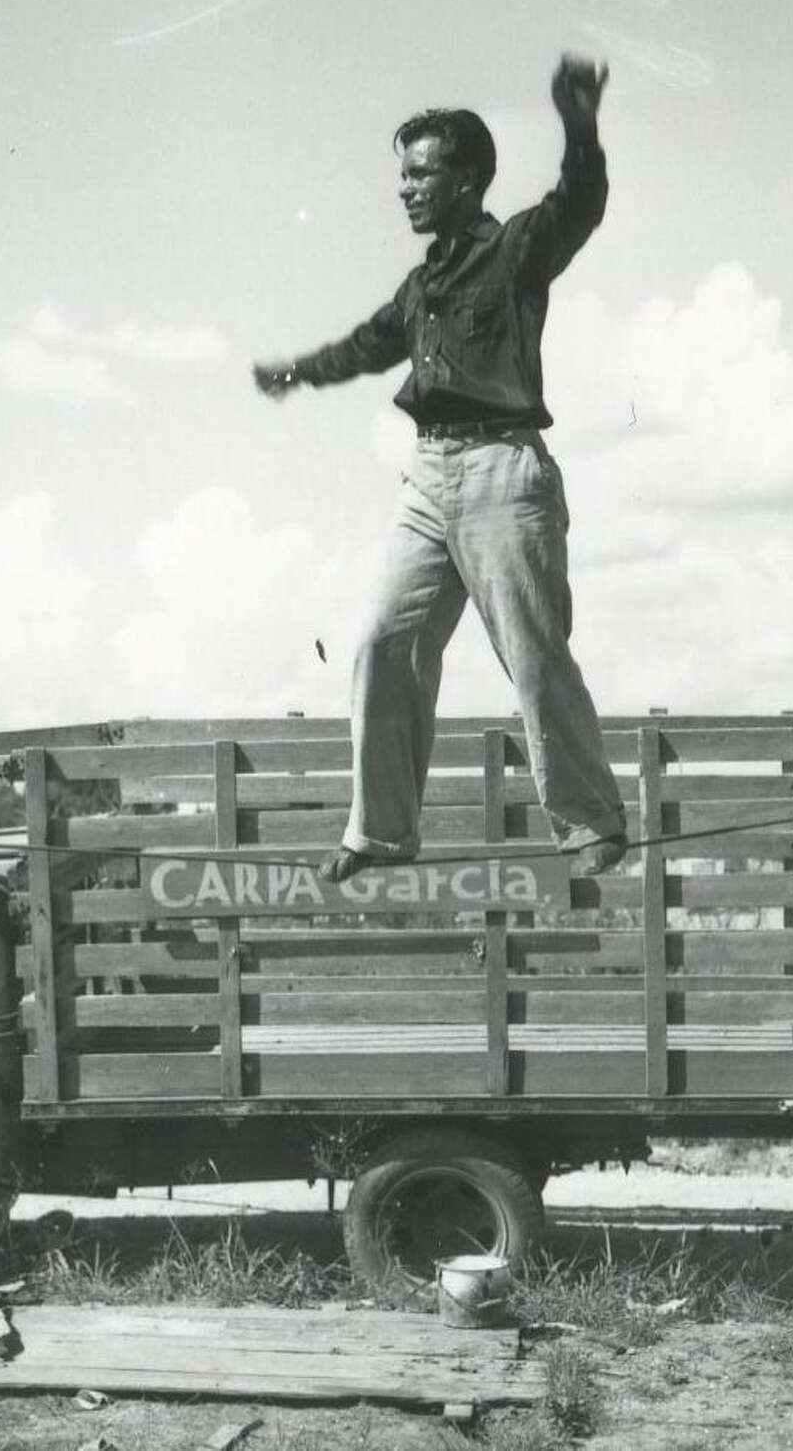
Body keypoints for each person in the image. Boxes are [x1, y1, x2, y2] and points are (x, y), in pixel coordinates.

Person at [253, 55, 627, 882]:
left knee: (533, 654)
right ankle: (382, 830)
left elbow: (582, 202)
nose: (406, 189)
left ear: (467, 179)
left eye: (421, 173)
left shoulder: (519, 250)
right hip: (428, 478)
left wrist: (578, 120)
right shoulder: (421, 282)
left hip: (502, 470)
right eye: (403, 174)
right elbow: (367, 344)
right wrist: (299, 371)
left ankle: (591, 821)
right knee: (382, 642)